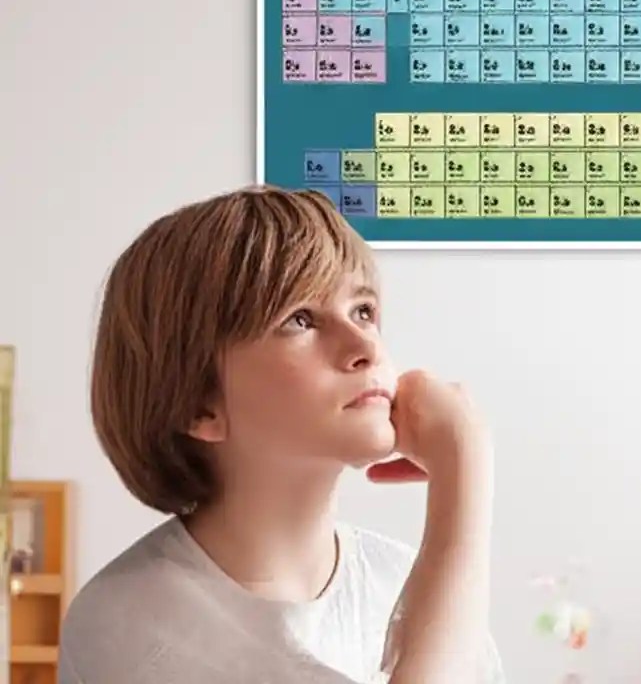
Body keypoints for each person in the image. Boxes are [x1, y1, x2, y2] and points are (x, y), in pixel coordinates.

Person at [57, 186, 505, 683]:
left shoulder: (412, 583)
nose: (364, 346)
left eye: (363, 311)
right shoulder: (129, 623)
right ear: (199, 403)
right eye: (300, 319)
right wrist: (463, 473)